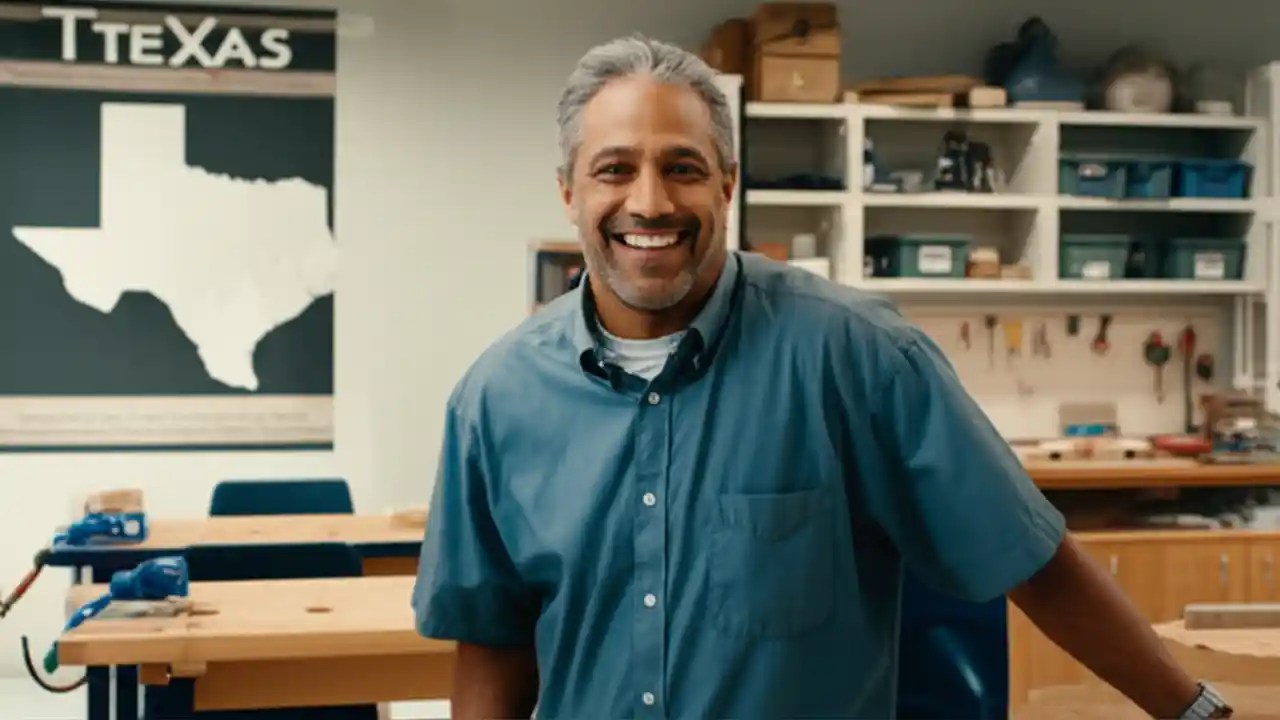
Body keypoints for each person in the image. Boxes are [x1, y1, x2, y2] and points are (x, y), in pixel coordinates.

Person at [411, 35, 1233, 720]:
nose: (650, 201)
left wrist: (1192, 711)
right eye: (615, 169)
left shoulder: (859, 356)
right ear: (569, 192)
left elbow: (1032, 560)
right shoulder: (496, 400)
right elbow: (493, 643)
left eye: (685, 168)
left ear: (728, 183)